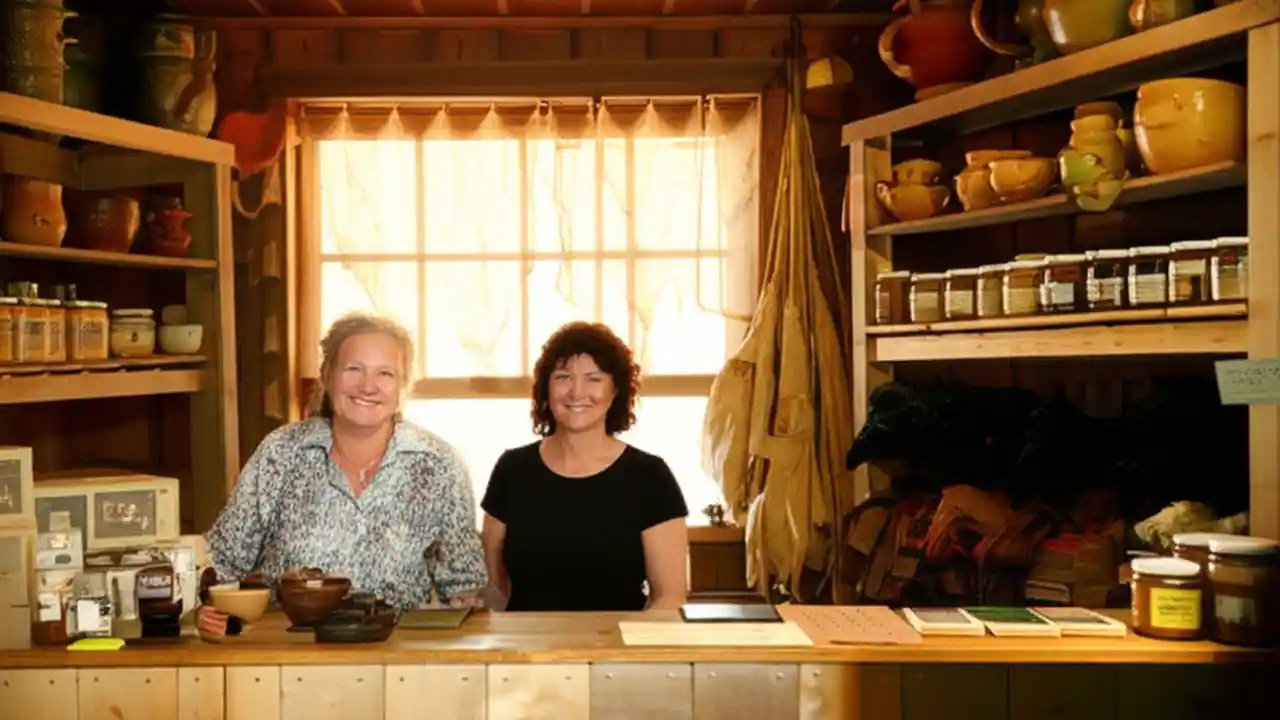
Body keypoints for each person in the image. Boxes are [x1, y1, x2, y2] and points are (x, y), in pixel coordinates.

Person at [198, 313, 487, 634]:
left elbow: (465, 588)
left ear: (403, 386)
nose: (368, 386)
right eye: (353, 369)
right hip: (286, 654)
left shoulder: (438, 465)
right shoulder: (281, 452)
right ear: (326, 375)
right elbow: (224, 561)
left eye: (385, 373)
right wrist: (205, 609)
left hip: (395, 658)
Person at [480, 321, 689, 612]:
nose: (577, 392)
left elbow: (669, 598)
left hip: (619, 649)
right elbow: (495, 588)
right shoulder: (511, 469)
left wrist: (628, 655)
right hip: (525, 651)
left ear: (615, 390)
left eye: (594, 378)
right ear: (546, 390)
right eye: (563, 377)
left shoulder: (650, 475)